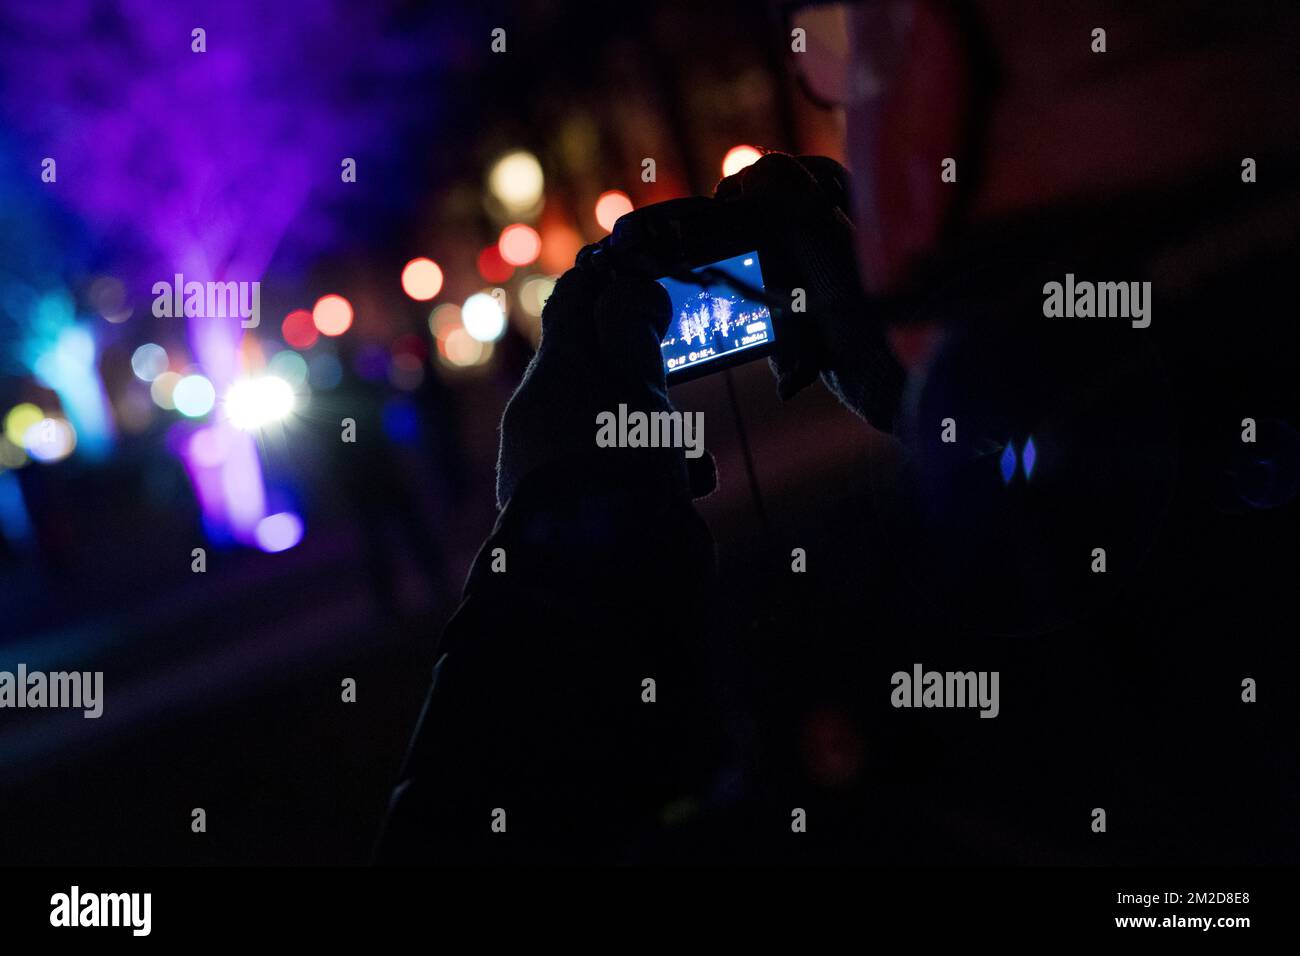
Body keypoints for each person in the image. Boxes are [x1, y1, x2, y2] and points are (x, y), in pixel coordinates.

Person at [376, 0, 1300, 864]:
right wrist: (952, 395)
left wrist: (567, 528)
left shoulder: (909, 755)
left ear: (922, 89)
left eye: (837, 66)